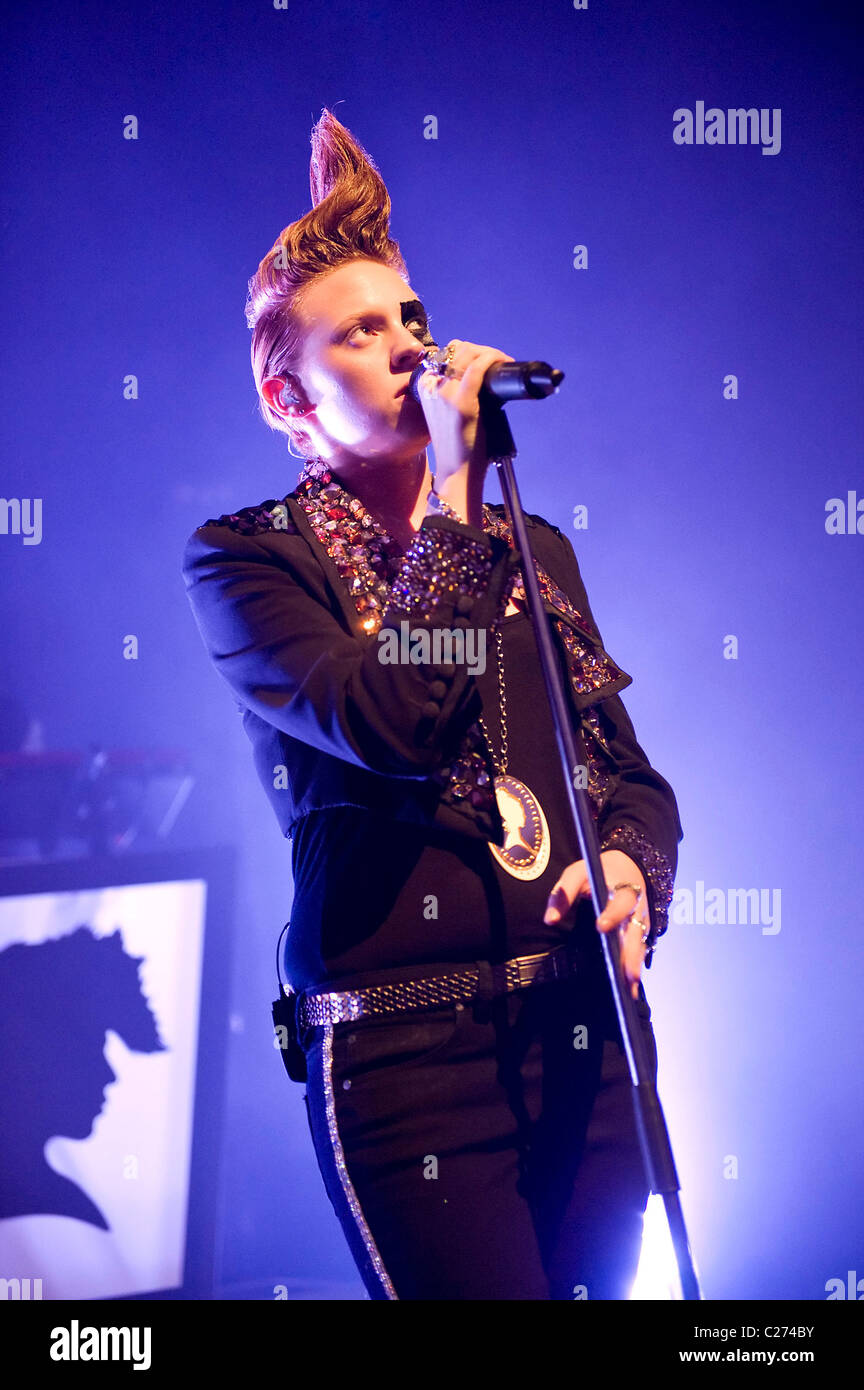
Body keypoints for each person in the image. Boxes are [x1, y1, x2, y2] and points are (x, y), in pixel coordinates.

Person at [182, 108, 683, 1300]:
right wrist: (454, 493)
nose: (411, 345)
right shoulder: (250, 561)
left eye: (412, 315)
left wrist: (627, 869)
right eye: (361, 331)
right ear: (282, 395)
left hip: (581, 1030)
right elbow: (394, 721)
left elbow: (630, 776)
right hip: (408, 1053)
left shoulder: (531, 545)